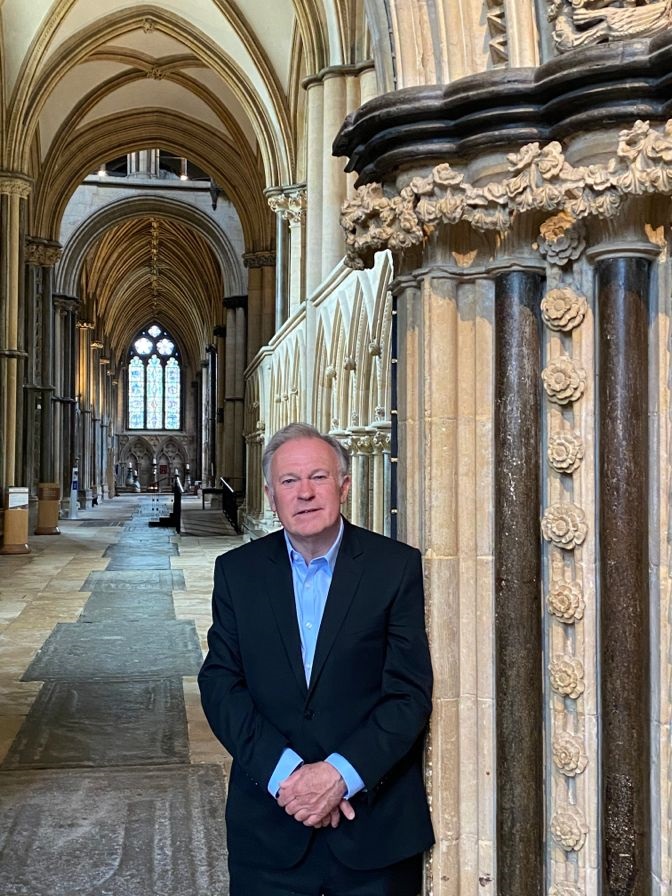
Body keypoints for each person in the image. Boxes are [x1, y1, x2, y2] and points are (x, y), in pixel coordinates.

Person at [198, 422, 434, 896]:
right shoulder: (237, 573)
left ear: (344, 485)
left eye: (319, 478)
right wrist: (287, 775)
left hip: (374, 832)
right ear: (270, 494)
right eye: (289, 481)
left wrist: (338, 775)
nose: (304, 493)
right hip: (270, 831)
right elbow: (222, 686)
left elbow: (408, 694)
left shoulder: (395, 567)